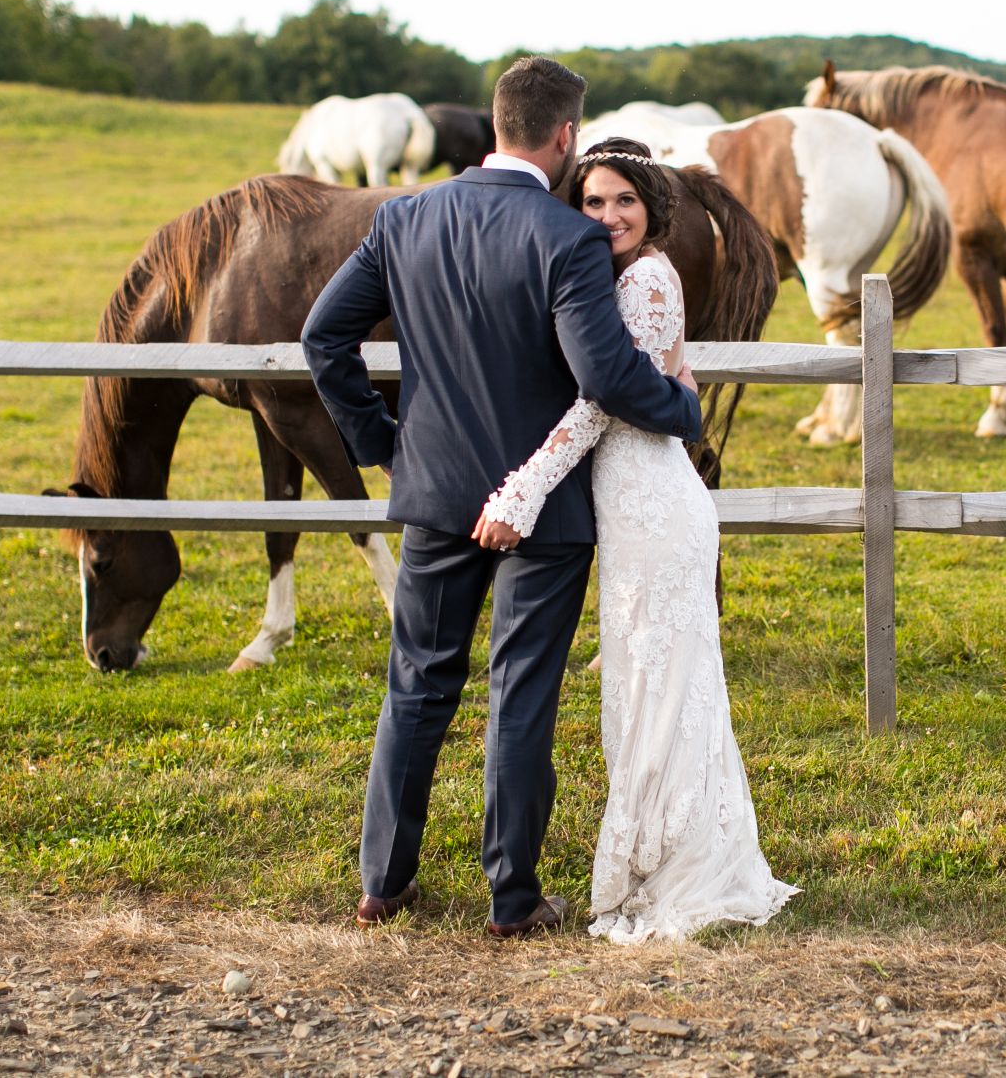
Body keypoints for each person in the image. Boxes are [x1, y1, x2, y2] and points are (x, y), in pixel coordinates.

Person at [301, 57, 702, 939]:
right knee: (521, 693)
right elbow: (606, 375)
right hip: (545, 511)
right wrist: (684, 406)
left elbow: (322, 336)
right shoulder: (570, 238)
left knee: (417, 684)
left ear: (494, 123)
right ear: (566, 135)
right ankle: (511, 898)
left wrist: (385, 444)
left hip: (434, 490)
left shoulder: (404, 217)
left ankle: (383, 883)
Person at [475, 137, 797, 943]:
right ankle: (666, 852)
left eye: (625, 200)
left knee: (661, 688)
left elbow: (603, 403)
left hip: (655, 507)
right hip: (628, 507)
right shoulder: (612, 277)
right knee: (645, 688)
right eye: (594, 200)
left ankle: (677, 869)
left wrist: (524, 486)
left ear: (651, 209)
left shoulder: (647, 278)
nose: (609, 214)